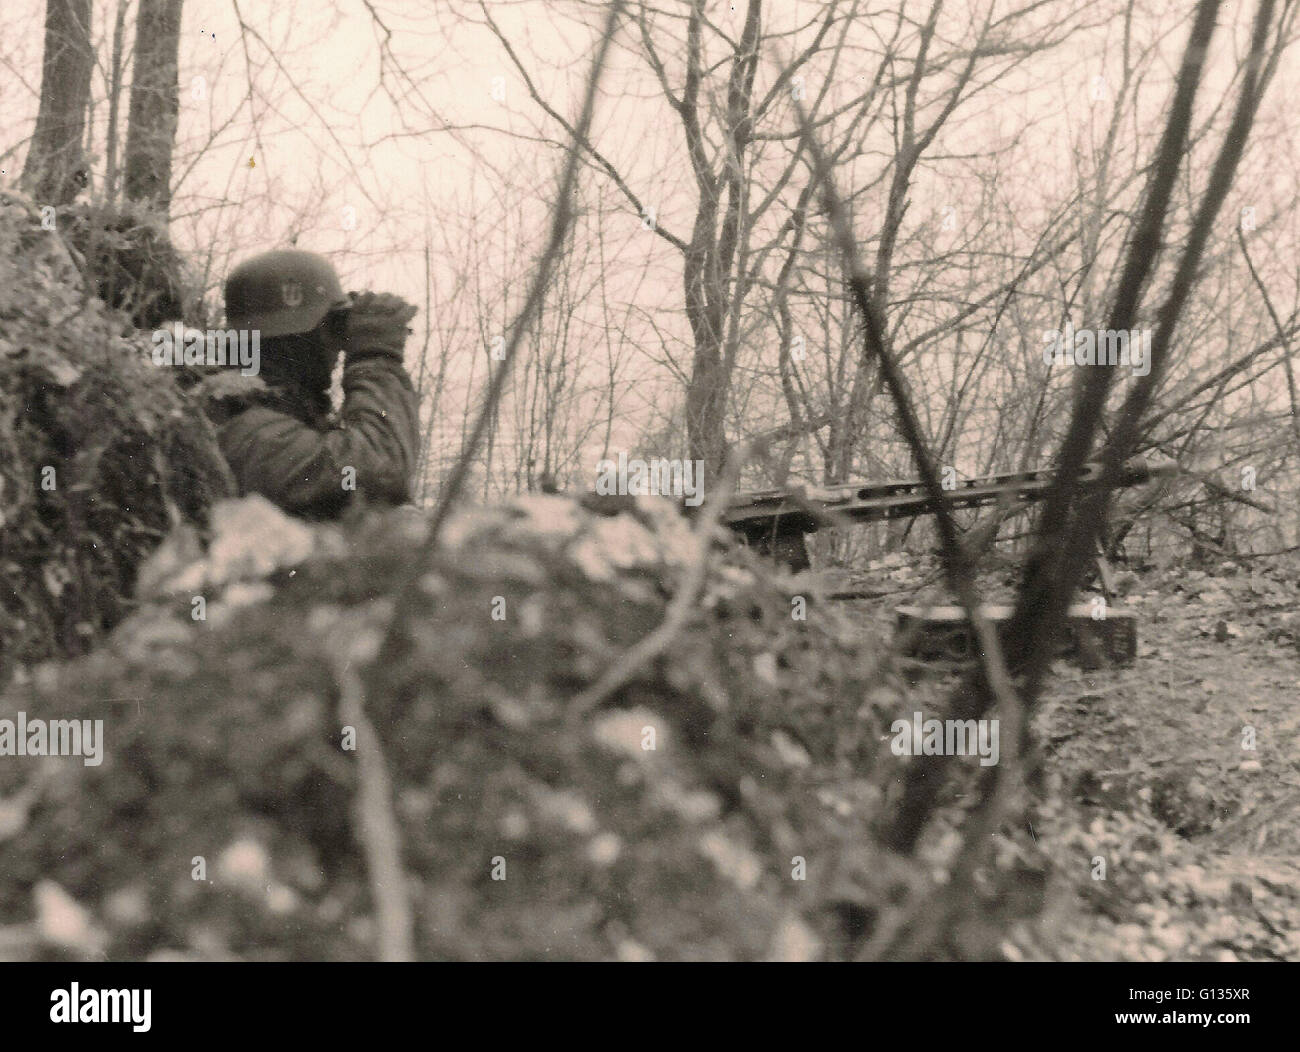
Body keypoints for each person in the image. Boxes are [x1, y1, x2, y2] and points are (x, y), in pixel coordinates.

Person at [203, 249, 420, 519]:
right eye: (329, 330)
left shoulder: (273, 412)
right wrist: (375, 358)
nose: (337, 349)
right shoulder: (249, 432)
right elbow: (383, 469)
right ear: (294, 342)